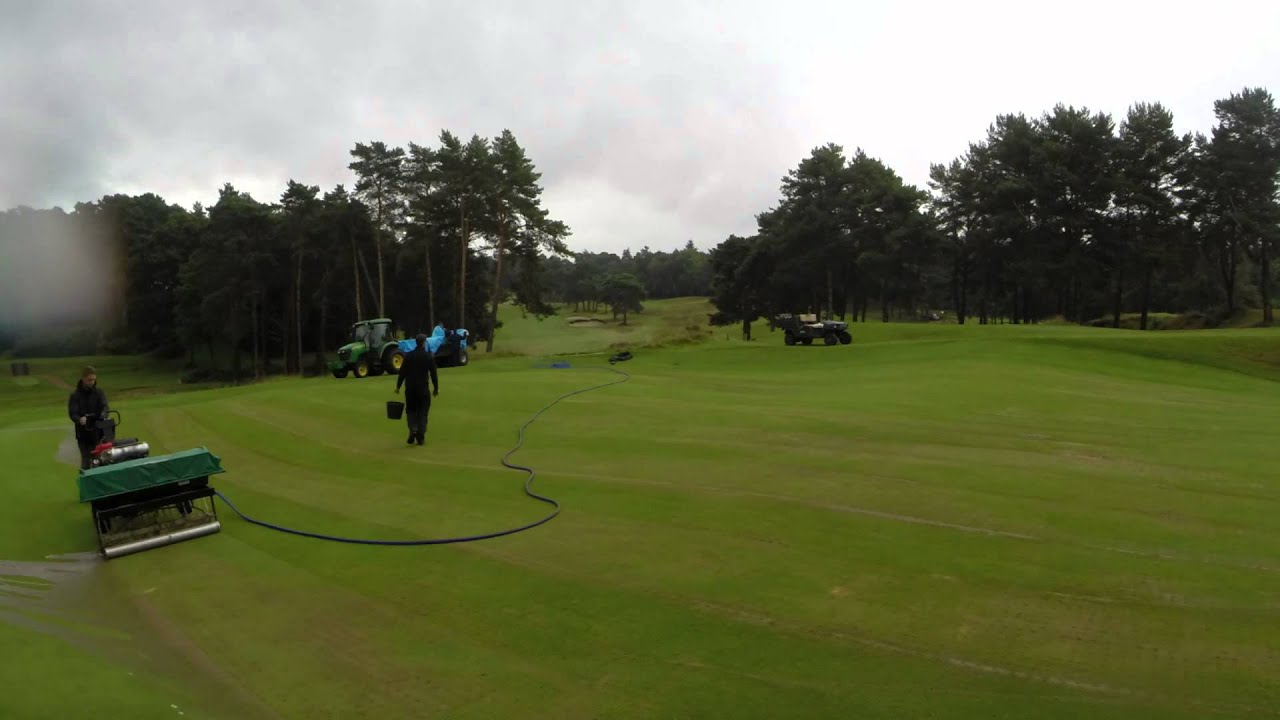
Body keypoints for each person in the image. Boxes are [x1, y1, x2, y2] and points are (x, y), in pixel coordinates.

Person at [395, 333, 439, 445]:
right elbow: (433, 374)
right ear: (424, 343)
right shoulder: (428, 356)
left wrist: (398, 386)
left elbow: (402, 372)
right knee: (423, 412)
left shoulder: (408, 356)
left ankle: (413, 429)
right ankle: (421, 435)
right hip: (423, 389)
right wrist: (436, 388)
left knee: (410, 410)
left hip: (410, 388)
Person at [67, 366, 109, 470]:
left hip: (98, 432)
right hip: (83, 434)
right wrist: (79, 419)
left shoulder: (99, 393)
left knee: (99, 460)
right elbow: (73, 413)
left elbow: (105, 407)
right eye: (89, 380)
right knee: (86, 461)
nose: (92, 382)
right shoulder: (75, 395)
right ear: (83, 379)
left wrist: (103, 415)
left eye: (94, 380)